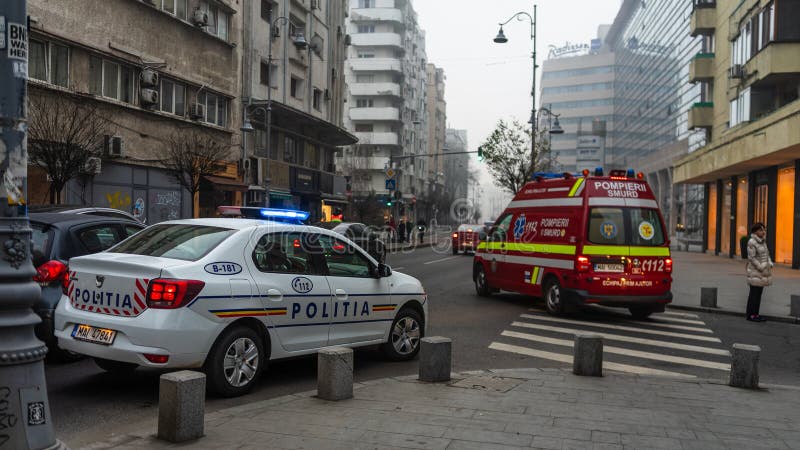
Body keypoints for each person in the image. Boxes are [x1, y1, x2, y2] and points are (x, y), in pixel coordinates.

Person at [745, 222, 773, 322]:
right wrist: (760, 267)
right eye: (761, 230)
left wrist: (770, 263)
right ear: (755, 231)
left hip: (762, 273)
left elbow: (767, 254)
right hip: (755, 272)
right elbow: (751, 258)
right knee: (754, 294)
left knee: (758, 295)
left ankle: (755, 314)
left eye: (764, 230)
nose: (763, 232)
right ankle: (751, 315)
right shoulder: (752, 242)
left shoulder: (762, 242)